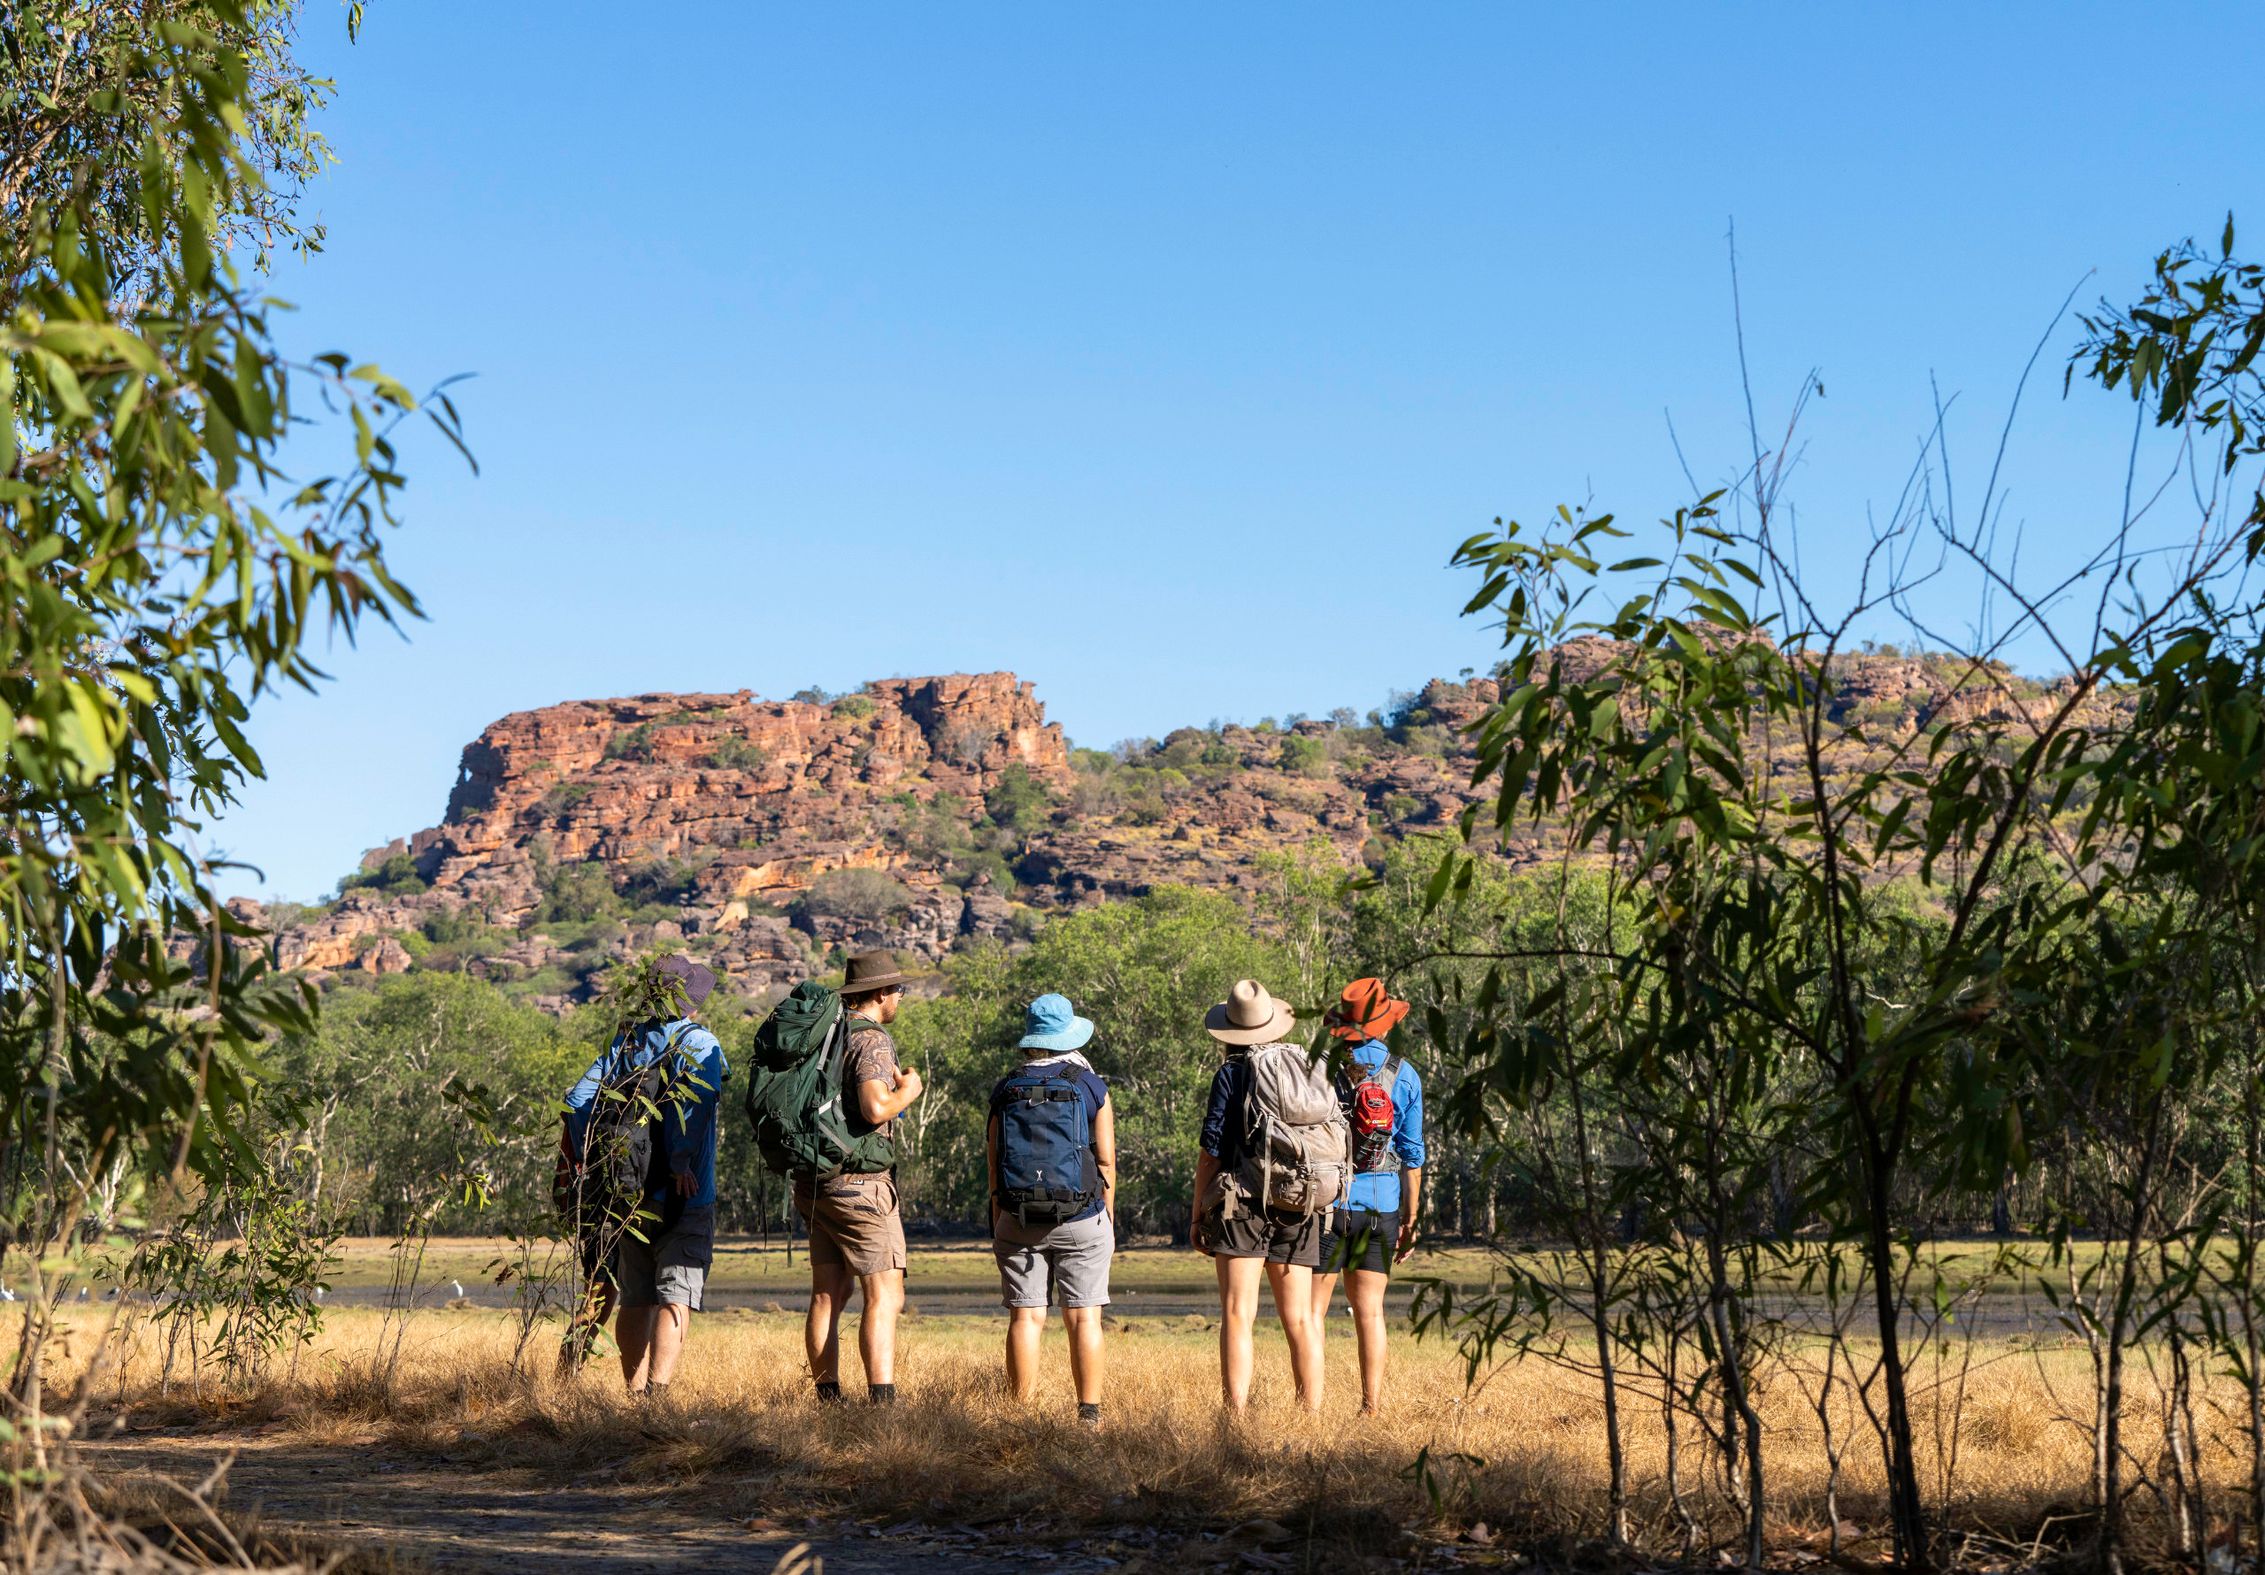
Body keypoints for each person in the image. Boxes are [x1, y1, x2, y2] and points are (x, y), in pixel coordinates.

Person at [560, 954, 729, 1397]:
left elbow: (578, 1102)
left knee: (635, 1296)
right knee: (677, 1291)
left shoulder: (627, 1044)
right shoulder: (700, 1043)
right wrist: (679, 1163)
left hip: (626, 1191)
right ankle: (657, 1396)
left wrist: (590, 1158)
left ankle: (634, 1394)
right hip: (685, 1191)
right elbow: (696, 1107)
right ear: (690, 999)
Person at [1192, 978, 1338, 1416]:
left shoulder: (1232, 1073)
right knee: (1300, 1318)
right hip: (1301, 1199)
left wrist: (1199, 1211)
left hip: (1243, 1205)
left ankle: (1234, 1416)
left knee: (1239, 1314)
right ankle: (1309, 1415)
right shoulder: (1309, 1066)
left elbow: (1211, 1151)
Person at [797, 950, 924, 1404]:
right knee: (885, 1291)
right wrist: (908, 1091)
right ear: (881, 993)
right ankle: (882, 1402)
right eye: (899, 991)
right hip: (859, 1186)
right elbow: (874, 1108)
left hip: (816, 1181)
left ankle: (828, 1400)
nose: (900, 999)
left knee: (827, 1294)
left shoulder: (823, 1037)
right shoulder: (871, 1040)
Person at [988, 993, 1116, 1425]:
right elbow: (1106, 1161)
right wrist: (1106, 1216)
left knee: (1026, 1318)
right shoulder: (1090, 1086)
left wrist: (998, 1217)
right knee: (1083, 1319)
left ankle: (1020, 1415)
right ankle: (1089, 1415)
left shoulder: (1006, 1088)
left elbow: (994, 1159)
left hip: (1017, 1218)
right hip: (1082, 1216)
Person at [1310, 977, 1425, 1416]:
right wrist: (1411, 1220)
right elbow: (1412, 1156)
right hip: (1383, 1203)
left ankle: (1312, 1407)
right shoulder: (1405, 1074)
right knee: (1370, 1312)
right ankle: (1371, 1406)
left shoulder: (1320, 1068)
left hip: (1328, 1204)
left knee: (1312, 1313)